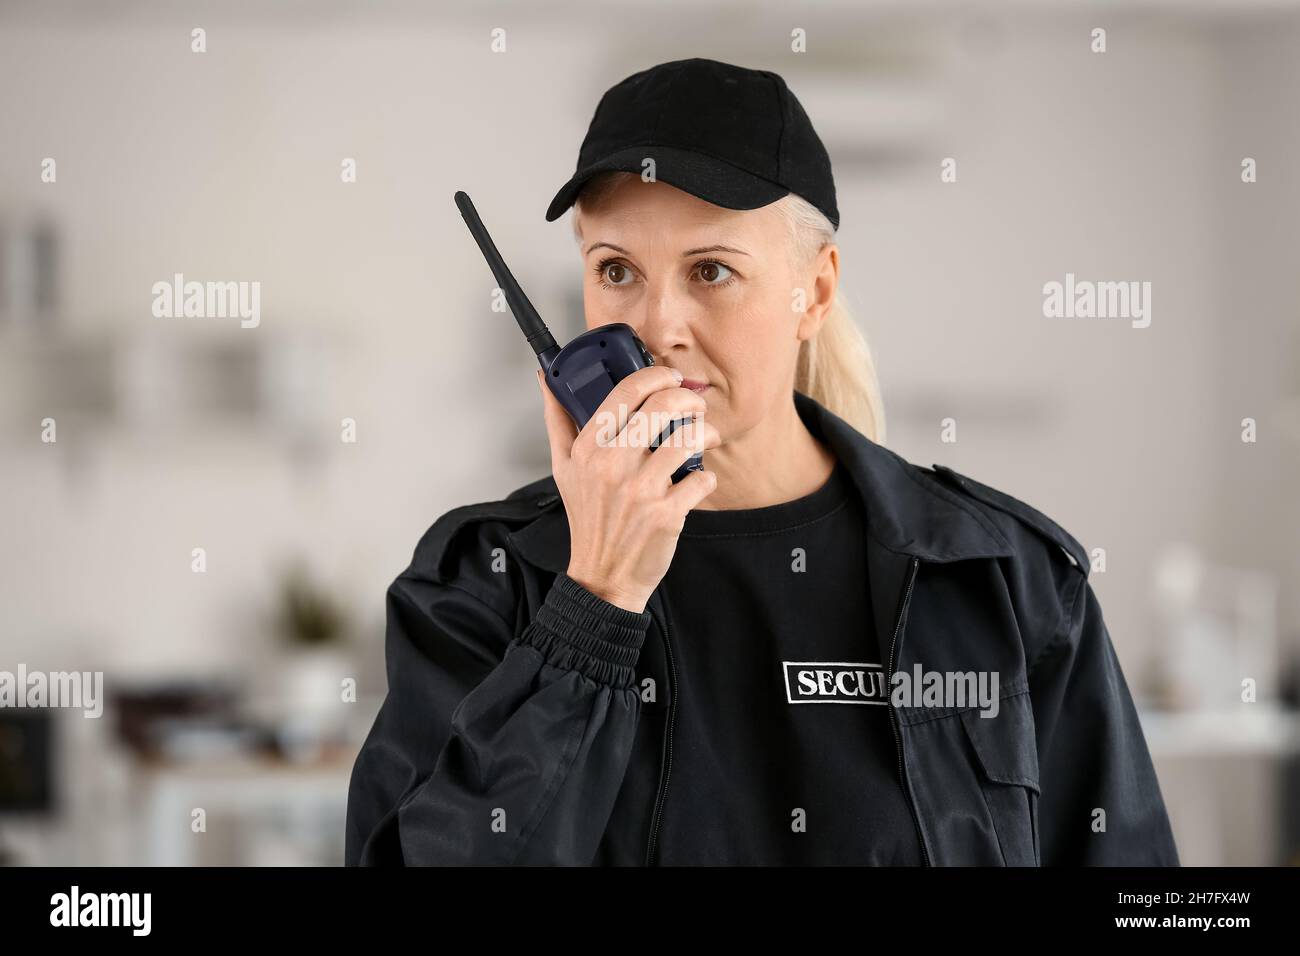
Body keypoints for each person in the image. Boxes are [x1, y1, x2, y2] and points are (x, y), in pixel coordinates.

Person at [345, 57, 1179, 866]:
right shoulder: (482, 584)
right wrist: (592, 607)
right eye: (616, 270)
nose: (659, 324)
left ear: (812, 293)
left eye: (711, 270)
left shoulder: (1004, 580)